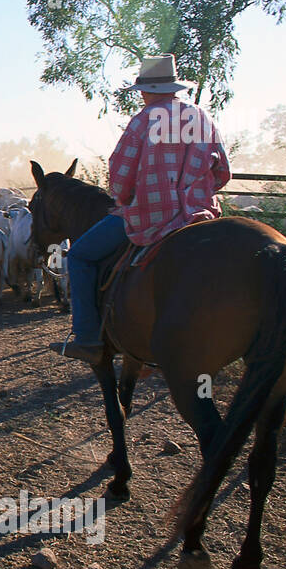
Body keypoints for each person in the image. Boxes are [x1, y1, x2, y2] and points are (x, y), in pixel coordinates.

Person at [52, 54, 231, 364]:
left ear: (147, 90)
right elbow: (222, 173)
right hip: (200, 217)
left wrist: (126, 200)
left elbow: (119, 175)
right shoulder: (202, 117)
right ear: (173, 87)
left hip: (152, 217)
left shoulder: (144, 120)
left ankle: (88, 339)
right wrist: (195, 194)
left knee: (80, 256)